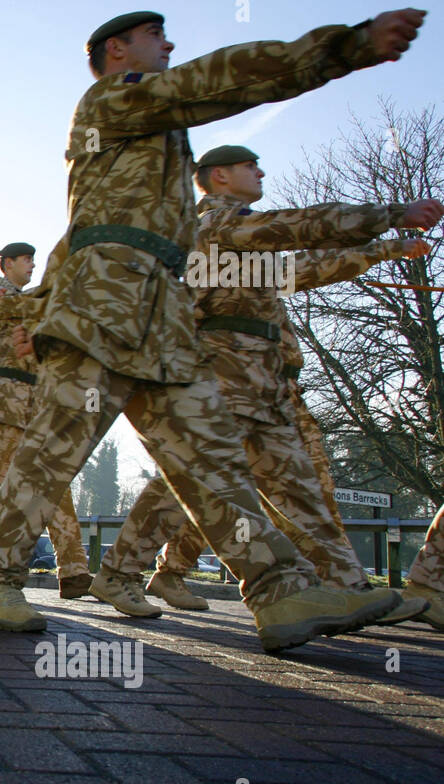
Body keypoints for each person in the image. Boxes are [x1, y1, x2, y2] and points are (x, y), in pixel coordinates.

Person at [0, 9, 425, 649]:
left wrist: (42, 304)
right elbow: (215, 81)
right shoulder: (116, 100)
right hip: (106, 307)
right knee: (55, 449)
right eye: (157, 37)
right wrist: (344, 48)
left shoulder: (145, 138)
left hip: (162, 317)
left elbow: (77, 230)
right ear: (118, 50)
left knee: (214, 465)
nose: (171, 45)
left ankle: (281, 593)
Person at [95, 144, 439, 625]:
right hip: (219, 376)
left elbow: (301, 269)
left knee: (301, 492)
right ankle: (118, 572)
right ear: (218, 177)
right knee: (194, 484)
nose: (260, 171)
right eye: (248, 166)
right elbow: (295, 226)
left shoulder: (245, 245)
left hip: (266, 384)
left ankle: (350, 589)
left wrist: (384, 249)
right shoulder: (215, 225)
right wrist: (389, 219)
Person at [0, 242, 92, 600]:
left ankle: (75, 571)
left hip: (37, 406)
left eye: (35, 261)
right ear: (7, 265)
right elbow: (31, 307)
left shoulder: (35, 303)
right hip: (5, 403)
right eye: (26, 260)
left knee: (54, 486)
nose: (32, 265)